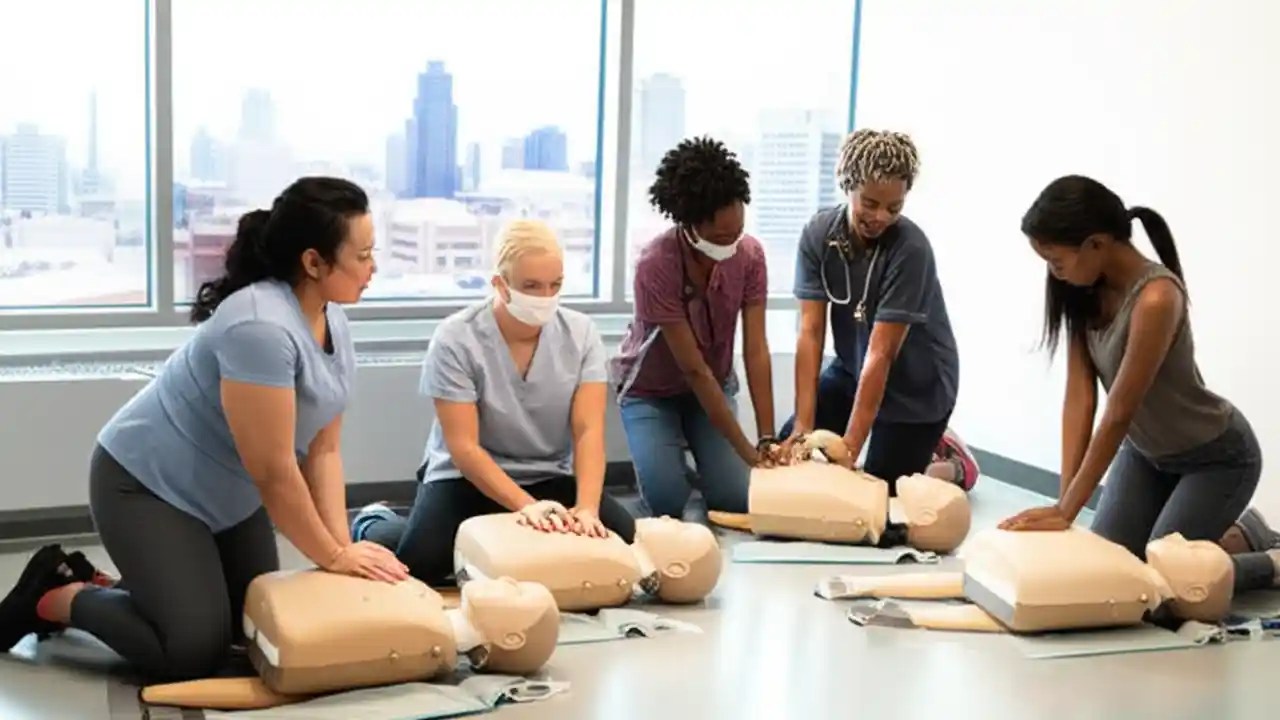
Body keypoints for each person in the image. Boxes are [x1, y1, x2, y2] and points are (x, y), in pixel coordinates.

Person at [0, 177, 408, 681]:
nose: (374, 268)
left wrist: (342, 558)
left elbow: (323, 450)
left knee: (251, 628)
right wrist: (334, 554)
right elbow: (275, 470)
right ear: (313, 262)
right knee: (191, 651)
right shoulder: (258, 326)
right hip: (147, 486)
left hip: (228, 497)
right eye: (364, 256)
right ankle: (56, 597)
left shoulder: (332, 319)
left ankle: (120, 586)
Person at [1000, 174, 1280, 594]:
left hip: (1217, 458)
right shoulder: (1082, 290)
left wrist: (1067, 509)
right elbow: (1080, 399)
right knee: (1107, 575)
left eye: (1056, 261)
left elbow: (1118, 413)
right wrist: (1064, 511)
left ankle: (1268, 560)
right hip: (1147, 453)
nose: (1053, 274)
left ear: (1096, 244)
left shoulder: (1156, 298)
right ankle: (1234, 535)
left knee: (1163, 585)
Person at [350, 219, 637, 585]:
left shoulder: (581, 334)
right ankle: (376, 520)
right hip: (464, 476)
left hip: (547, 473)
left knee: (621, 537)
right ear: (500, 284)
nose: (545, 296)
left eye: (555, 285)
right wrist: (526, 507)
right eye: (531, 286)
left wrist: (587, 509)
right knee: (422, 565)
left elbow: (588, 431)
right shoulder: (457, 338)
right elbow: (464, 447)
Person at [784, 128, 979, 493]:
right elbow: (811, 332)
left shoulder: (911, 249)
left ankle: (953, 463)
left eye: (894, 207)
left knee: (877, 498)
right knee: (792, 461)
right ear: (848, 185)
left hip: (916, 388)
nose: (880, 217)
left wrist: (851, 447)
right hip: (852, 369)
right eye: (870, 203)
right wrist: (803, 426)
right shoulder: (819, 234)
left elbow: (882, 351)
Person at [609, 136, 777, 519]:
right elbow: (694, 370)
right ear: (689, 226)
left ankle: (706, 471)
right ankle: (673, 472)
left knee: (736, 498)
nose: (732, 244)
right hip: (652, 392)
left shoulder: (749, 255)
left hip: (714, 384)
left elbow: (756, 348)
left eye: (738, 232)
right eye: (721, 238)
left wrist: (766, 439)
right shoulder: (656, 265)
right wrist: (747, 452)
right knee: (667, 502)